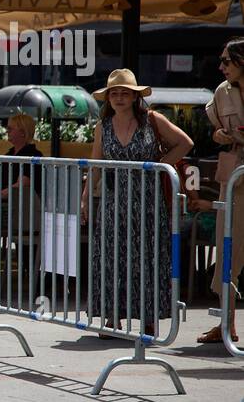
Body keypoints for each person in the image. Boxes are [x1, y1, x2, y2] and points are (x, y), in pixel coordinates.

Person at [82, 69, 191, 336]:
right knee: (111, 258)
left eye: (125, 93)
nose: (119, 97)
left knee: (148, 258)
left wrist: (158, 165)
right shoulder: (103, 126)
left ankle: (149, 319)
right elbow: (95, 163)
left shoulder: (152, 120)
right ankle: (111, 317)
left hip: (148, 202)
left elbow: (185, 143)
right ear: (108, 98)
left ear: (135, 97)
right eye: (114, 93)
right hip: (113, 201)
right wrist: (86, 197)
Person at [200, 38, 244, 342]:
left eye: (227, 61)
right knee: (228, 246)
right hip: (235, 178)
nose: (221, 66)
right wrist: (219, 135)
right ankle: (226, 324)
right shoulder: (221, 92)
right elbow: (214, 132)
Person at [0, 113, 42, 198]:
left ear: (23, 132)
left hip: (22, 206)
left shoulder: (33, 155)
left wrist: (0, 195)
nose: (7, 131)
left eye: (10, 129)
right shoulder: (9, 154)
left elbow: (23, 184)